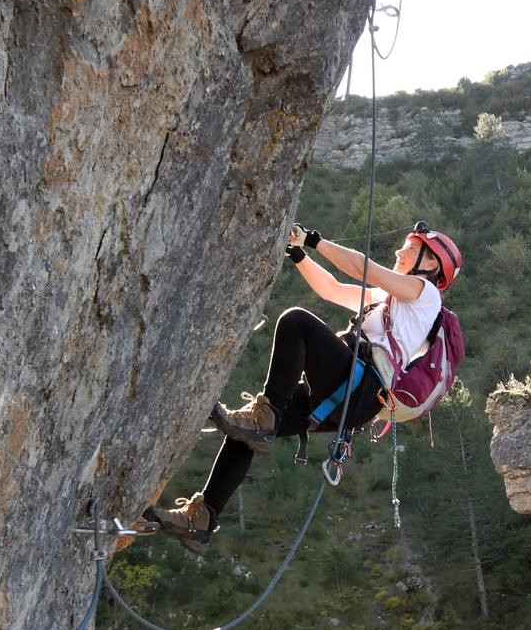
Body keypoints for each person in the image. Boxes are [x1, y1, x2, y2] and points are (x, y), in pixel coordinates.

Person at [145, 221, 462, 552]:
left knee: (296, 321)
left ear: (430, 263)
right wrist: (298, 254)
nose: (400, 250)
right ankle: (203, 519)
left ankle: (263, 416)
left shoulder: (426, 295)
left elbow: (359, 267)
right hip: (355, 396)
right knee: (244, 436)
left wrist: (314, 240)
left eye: (410, 249)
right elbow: (332, 289)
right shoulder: (386, 298)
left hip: (363, 384)